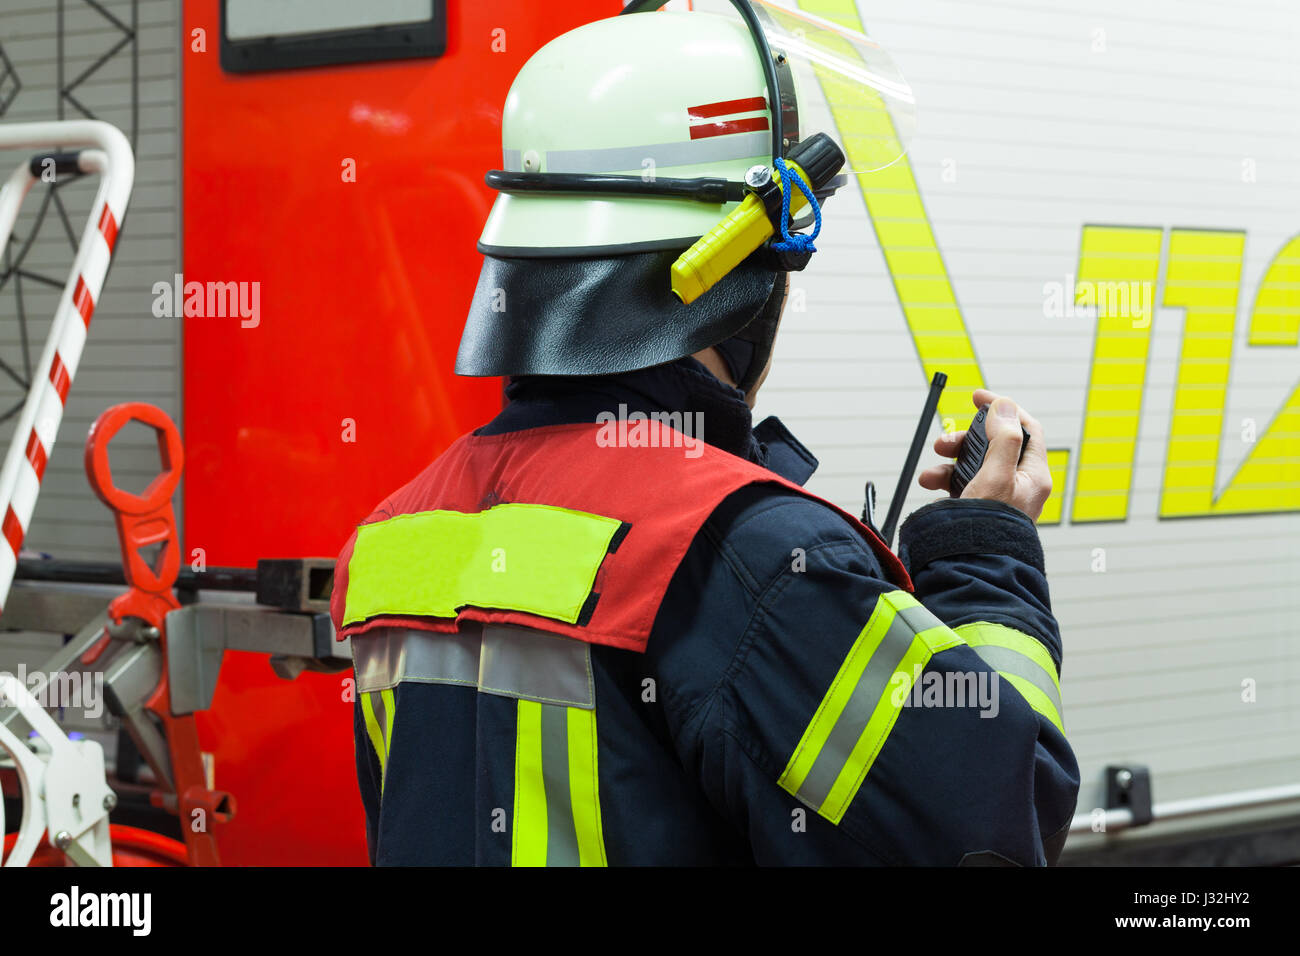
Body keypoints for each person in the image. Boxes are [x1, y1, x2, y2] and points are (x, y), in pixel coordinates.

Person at [330, 1, 1078, 866]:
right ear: (728, 270)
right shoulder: (756, 565)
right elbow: (1001, 819)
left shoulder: (395, 541)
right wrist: (988, 559)